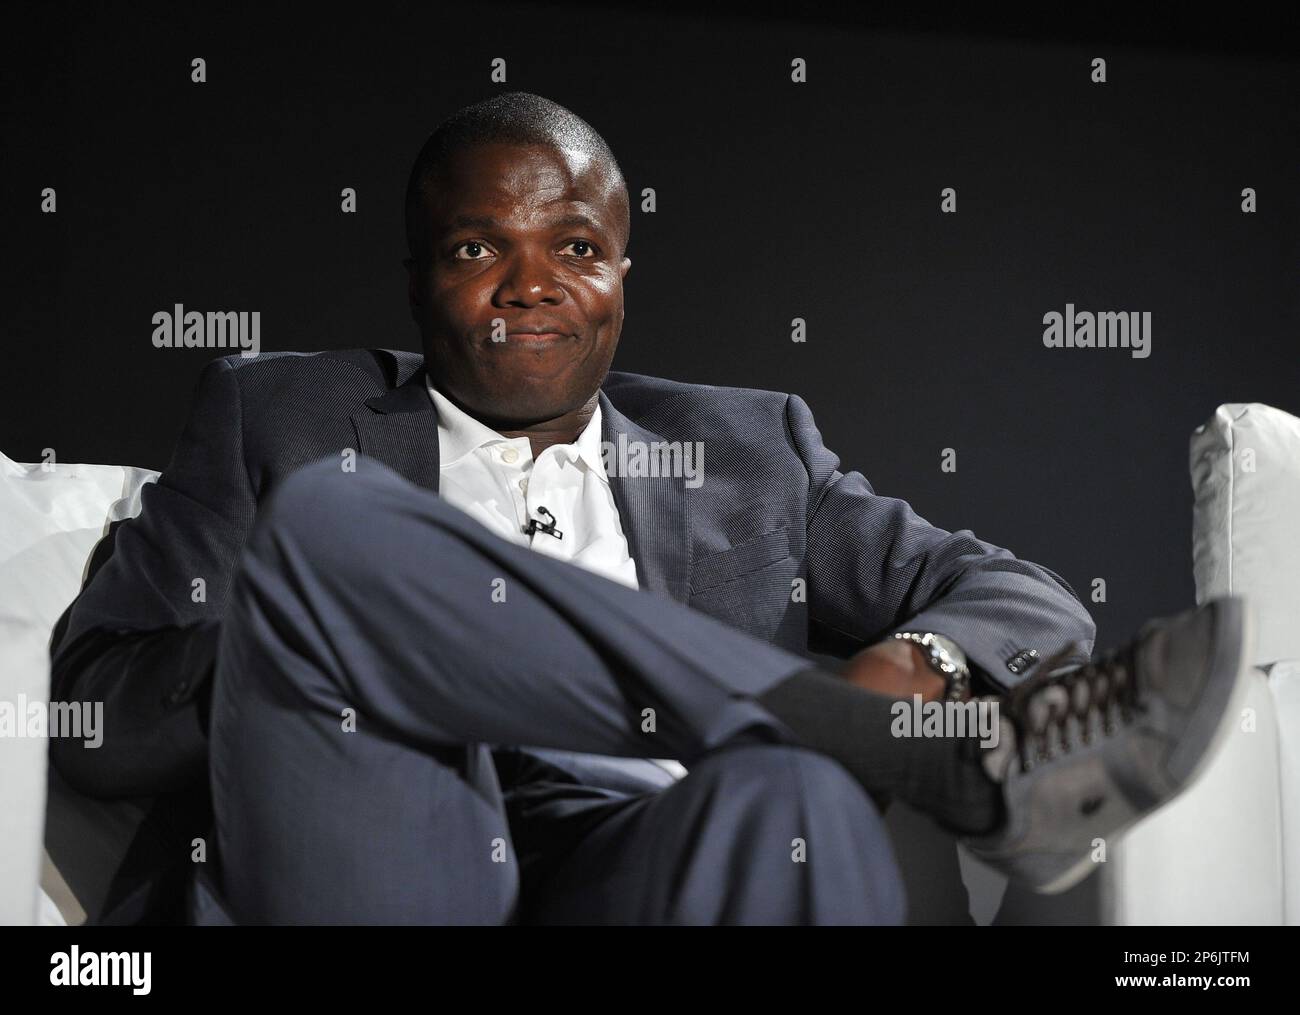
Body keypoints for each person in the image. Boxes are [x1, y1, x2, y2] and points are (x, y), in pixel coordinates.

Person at [49, 92, 1248, 925]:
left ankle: (833, 739)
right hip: (386, 841)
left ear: (621, 273)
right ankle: (901, 754)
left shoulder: (746, 447)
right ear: (417, 281)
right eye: (479, 247)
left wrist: (916, 664)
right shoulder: (280, 412)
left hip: (653, 857)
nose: (532, 284)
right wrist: (329, 644)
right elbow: (90, 702)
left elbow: (1022, 598)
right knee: (332, 535)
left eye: (576, 244)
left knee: (792, 795)